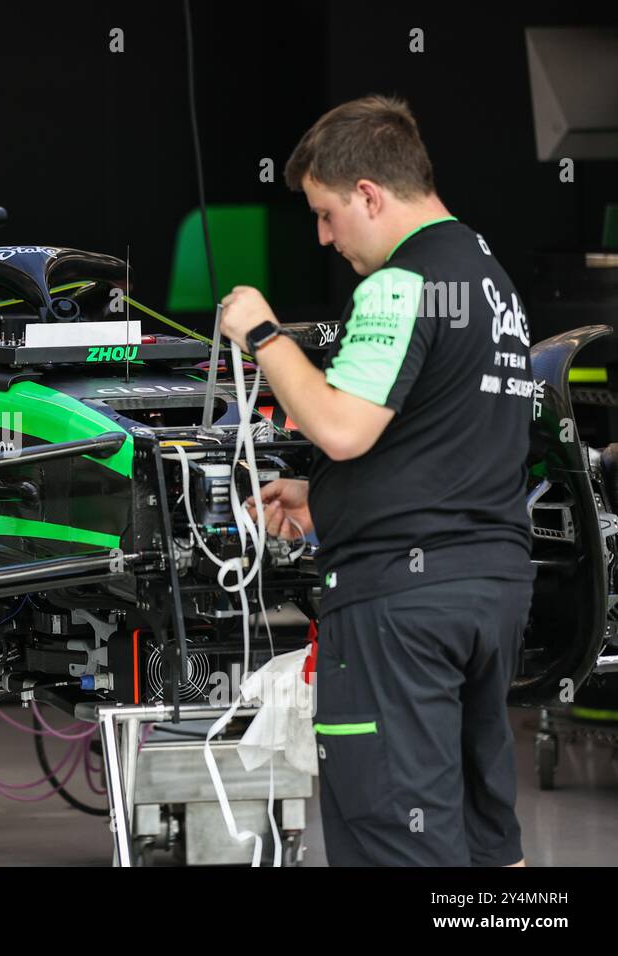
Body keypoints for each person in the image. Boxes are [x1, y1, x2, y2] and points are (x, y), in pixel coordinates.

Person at [217, 95, 533, 866]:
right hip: (488, 596)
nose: (324, 236)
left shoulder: (402, 283)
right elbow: (445, 447)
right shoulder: (491, 281)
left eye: (326, 213)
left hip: (402, 613)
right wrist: (326, 501)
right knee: (488, 838)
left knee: (398, 835)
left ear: (369, 194)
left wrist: (262, 333)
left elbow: (340, 426)